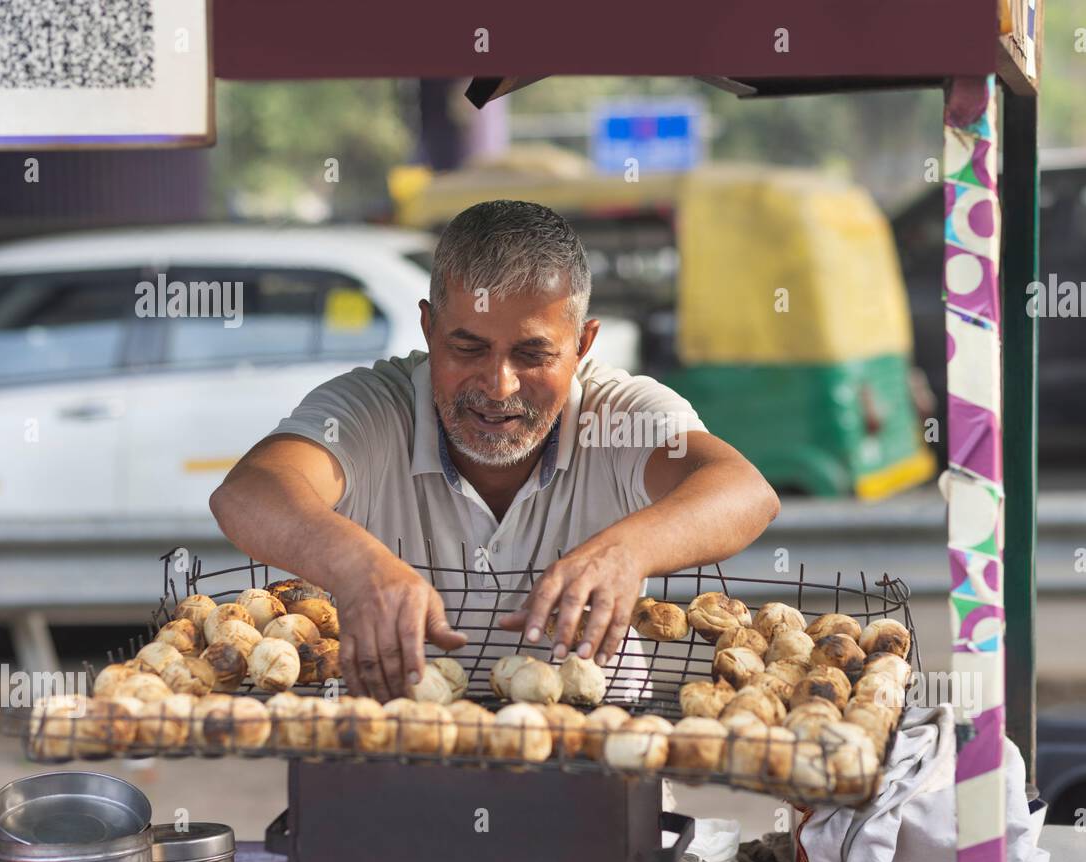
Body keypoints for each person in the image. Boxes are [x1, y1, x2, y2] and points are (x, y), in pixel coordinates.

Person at [210, 199, 779, 701]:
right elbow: (249, 493)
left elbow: (745, 492)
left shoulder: (621, 412)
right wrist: (358, 566)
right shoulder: (371, 408)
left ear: (582, 345)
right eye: (468, 348)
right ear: (430, 330)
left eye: (533, 354)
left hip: (594, 767)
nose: (500, 384)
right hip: (387, 771)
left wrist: (625, 552)